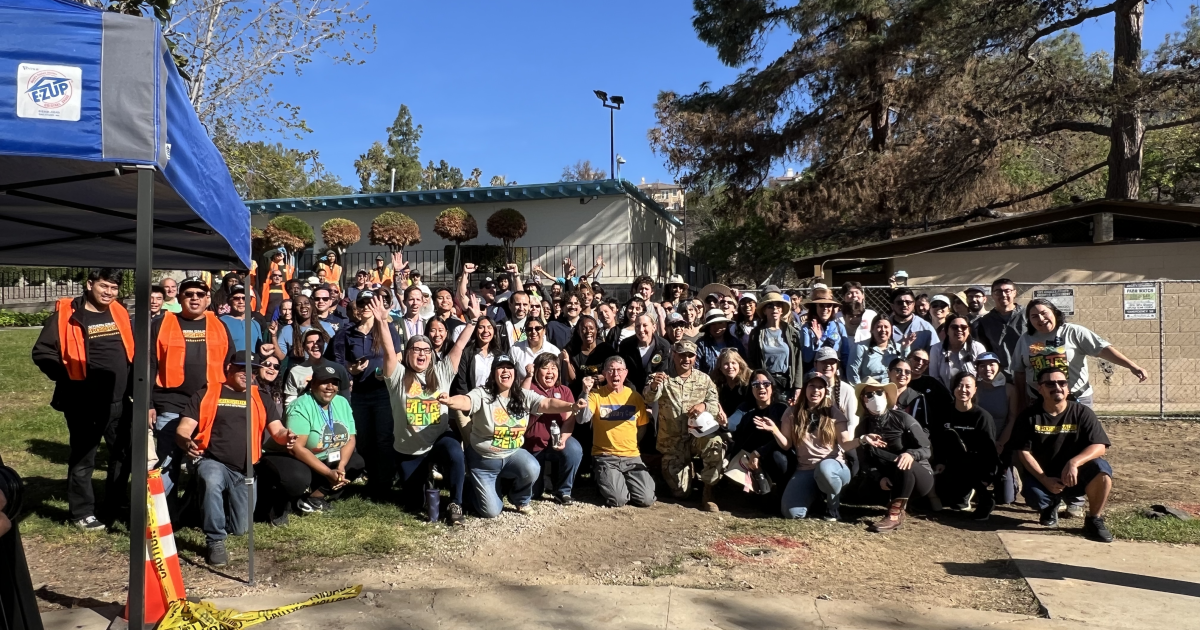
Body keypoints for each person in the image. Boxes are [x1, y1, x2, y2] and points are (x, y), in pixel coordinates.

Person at [32, 269, 133, 530]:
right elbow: (42, 352)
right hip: (84, 403)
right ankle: (81, 512)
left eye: (114, 287)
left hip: (120, 400)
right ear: (89, 284)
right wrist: (68, 379)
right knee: (84, 458)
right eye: (104, 286)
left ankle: (116, 501)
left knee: (124, 454)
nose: (109, 292)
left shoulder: (119, 312)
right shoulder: (65, 316)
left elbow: (129, 352)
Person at [174, 352, 292, 566]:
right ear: (229, 367)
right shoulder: (207, 393)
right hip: (213, 461)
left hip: (245, 471)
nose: (247, 374)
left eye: (252, 370)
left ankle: (201, 510)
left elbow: (278, 431)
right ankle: (215, 540)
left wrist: (288, 437)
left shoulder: (261, 397)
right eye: (241, 368)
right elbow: (184, 427)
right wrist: (185, 441)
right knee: (210, 479)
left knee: (240, 529)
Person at [366, 295, 475, 524]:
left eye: (426, 350)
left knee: (456, 453)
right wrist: (382, 322)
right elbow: (387, 350)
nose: (422, 354)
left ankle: (456, 502)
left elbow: (459, 346)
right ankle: (425, 478)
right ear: (408, 353)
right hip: (409, 448)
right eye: (416, 349)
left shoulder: (442, 372)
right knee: (413, 504)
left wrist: (473, 321)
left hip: (438, 438)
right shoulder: (396, 376)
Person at [440, 355, 583, 518]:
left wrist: (572, 406)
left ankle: (520, 499)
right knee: (492, 511)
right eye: (501, 367)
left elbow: (547, 404)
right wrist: (450, 400)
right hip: (484, 460)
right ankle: (470, 485)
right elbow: (466, 401)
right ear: (493, 372)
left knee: (532, 467)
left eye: (509, 367)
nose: (505, 371)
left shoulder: (522, 395)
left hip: (512, 454)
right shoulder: (482, 393)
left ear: (514, 373)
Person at [150, 277, 235, 494]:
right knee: (167, 459)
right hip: (171, 402)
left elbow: (231, 365)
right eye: (188, 294)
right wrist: (148, 403)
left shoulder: (219, 325)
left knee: (205, 459)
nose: (194, 298)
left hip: (209, 404)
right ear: (179, 298)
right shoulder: (161, 324)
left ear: (208, 298)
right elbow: (148, 364)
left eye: (200, 294)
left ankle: (196, 508)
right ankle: (164, 515)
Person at [1011, 367, 1114, 542]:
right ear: (1040, 388)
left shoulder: (1082, 413)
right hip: (1043, 476)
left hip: (1074, 475)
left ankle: (1094, 519)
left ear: (1068, 388)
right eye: (1050, 383)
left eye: (1062, 383)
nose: (1057, 387)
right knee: (1034, 496)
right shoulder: (1029, 416)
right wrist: (1044, 479)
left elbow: (1099, 446)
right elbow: (1023, 452)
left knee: (1102, 471)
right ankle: (1050, 504)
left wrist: (1074, 463)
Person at [329, 290, 404, 500]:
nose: (364, 308)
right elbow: (337, 363)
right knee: (363, 440)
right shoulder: (346, 333)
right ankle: (371, 478)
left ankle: (384, 483)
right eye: (360, 304)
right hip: (359, 395)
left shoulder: (387, 329)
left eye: (369, 304)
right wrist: (350, 370)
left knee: (384, 439)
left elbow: (396, 357)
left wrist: (388, 373)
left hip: (383, 392)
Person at [1014, 298, 1147, 410]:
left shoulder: (1073, 332)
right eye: (1034, 316)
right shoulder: (1025, 339)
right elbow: (1019, 371)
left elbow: (1103, 349)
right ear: (1029, 320)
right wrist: (1021, 401)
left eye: (1044, 313)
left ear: (1054, 312)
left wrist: (1132, 366)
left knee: (1081, 438)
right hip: (1039, 400)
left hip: (1076, 398)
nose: (1041, 318)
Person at [643, 340, 724, 511]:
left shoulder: (704, 379)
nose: (686, 359)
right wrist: (654, 386)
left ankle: (708, 491)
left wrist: (704, 406)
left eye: (690, 355)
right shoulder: (661, 377)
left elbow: (715, 403)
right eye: (682, 355)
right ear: (674, 355)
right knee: (681, 493)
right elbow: (648, 398)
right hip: (673, 443)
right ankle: (687, 473)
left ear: (695, 357)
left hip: (697, 437)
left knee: (715, 443)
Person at [277, 364, 365, 514]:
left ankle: (314, 498)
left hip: (330, 457)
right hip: (302, 459)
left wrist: (341, 467)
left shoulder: (342, 402)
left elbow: (350, 439)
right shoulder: (301, 406)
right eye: (325, 382)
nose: (330, 387)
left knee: (356, 462)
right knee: (297, 477)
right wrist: (328, 473)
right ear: (313, 384)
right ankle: (291, 499)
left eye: (334, 383)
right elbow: (296, 448)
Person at [774, 371, 863, 520]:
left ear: (825, 391)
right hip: (806, 469)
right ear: (804, 389)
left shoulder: (835, 413)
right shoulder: (791, 412)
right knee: (791, 513)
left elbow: (846, 444)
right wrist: (774, 429)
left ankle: (832, 507)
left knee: (824, 470)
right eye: (812, 386)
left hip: (834, 467)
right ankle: (817, 497)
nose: (815, 390)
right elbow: (786, 445)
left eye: (820, 387)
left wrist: (863, 439)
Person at [853, 378, 935, 533]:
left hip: (919, 477)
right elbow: (864, 462)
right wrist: (878, 477)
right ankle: (897, 503)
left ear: (886, 396)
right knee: (862, 492)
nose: (874, 397)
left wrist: (911, 454)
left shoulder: (903, 418)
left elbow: (926, 448)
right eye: (868, 394)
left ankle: (894, 515)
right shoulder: (862, 427)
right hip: (889, 479)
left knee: (903, 461)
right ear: (863, 400)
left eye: (878, 393)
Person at [577, 357, 656, 508]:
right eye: (611, 370)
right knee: (618, 500)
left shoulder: (635, 397)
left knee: (646, 500)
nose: (615, 374)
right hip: (605, 457)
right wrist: (584, 393)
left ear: (625, 373)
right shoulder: (596, 395)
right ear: (604, 373)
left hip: (632, 457)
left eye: (619, 370)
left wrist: (633, 444)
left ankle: (622, 482)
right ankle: (603, 479)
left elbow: (643, 426)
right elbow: (582, 419)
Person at [932, 372, 998, 519]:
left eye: (968, 386)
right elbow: (937, 440)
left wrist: (987, 476)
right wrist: (940, 461)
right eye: (959, 385)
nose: (963, 390)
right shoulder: (943, 412)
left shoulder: (982, 417)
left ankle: (983, 498)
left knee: (958, 503)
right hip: (948, 464)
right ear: (953, 387)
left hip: (974, 466)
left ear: (975, 389)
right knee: (946, 501)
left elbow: (989, 450)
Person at [522, 353, 582, 504]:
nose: (550, 371)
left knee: (574, 448)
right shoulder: (530, 388)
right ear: (536, 371)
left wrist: (563, 438)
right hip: (532, 445)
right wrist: (528, 376)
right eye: (545, 367)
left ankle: (563, 491)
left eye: (553, 367)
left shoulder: (565, 391)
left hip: (555, 443)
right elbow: (524, 399)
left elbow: (569, 419)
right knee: (534, 494)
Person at [730, 370, 791, 504]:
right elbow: (732, 423)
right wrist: (723, 422)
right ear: (751, 388)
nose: (761, 387)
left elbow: (785, 438)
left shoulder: (781, 408)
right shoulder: (746, 407)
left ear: (772, 386)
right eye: (756, 384)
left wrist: (759, 453)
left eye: (765, 384)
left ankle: (781, 490)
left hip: (772, 453)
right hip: (748, 455)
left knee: (780, 459)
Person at [976, 353, 1020, 505]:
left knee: (1005, 499)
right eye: (982, 365)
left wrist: (1000, 443)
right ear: (978, 369)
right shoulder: (974, 389)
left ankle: (1010, 476)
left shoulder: (1009, 390)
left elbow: (1012, 418)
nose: (987, 368)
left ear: (999, 367)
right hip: (980, 443)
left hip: (1002, 444)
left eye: (991, 364)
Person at [747, 291, 804, 405]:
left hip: (786, 382)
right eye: (770, 306)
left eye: (778, 305)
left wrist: (798, 387)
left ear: (782, 310)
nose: (775, 309)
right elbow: (752, 361)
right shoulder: (756, 333)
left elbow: (798, 361)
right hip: (765, 383)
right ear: (764, 310)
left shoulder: (791, 332)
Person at [973, 278, 1026, 379]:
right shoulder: (985, 322)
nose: (1003, 294)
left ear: (1015, 293)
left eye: (1007, 291)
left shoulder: (1027, 315)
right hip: (1001, 377)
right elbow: (986, 352)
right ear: (992, 295)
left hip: (1028, 373)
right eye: (998, 291)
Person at [799, 286, 852, 376]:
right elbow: (806, 358)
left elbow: (845, 356)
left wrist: (846, 377)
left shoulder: (839, 327)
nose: (825, 308)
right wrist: (816, 342)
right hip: (814, 376)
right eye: (821, 305)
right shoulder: (806, 328)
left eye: (829, 305)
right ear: (814, 307)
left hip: (836, 375)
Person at [561, 315, 616, 397]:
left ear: (596, 330)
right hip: (580, 395)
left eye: (591, 328)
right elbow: (572, 380)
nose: (588, 331)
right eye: (583, 329)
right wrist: (567, 362)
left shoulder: (606, 349)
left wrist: (605, 377)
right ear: (578, 332)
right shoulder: (572, 350)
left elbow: (616, 371)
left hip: (603, 395)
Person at [929, 314, 987, 389]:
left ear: (968, 330)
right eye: (954, 327)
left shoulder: (978, 348)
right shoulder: (936, 349)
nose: (959, 330)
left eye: (963, 327)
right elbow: (934, 378)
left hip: (973, 396)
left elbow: (982, 377)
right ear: (947, 331)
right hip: (944, 396)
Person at [618, 314, 672, 394]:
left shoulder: (663, 346)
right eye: (637, 326)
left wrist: (650, 389)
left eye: (645, 325)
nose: (641, 330)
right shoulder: (625, 345)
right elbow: (624, 372)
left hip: (655, 390)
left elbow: (662, 371)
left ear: (654, 327)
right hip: (631, 391)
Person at [276, 294, 335, 362]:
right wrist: (273, 335)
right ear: (294, 309)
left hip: (323, 369)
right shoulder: (287, 330)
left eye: (306, 303)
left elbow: (335, 350)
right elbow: (280, 357)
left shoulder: (326, 326)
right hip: (299, 370)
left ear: (312, 306)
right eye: (298, 304)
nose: (303, 306)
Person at [848, 314, 905, 384]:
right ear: (872, 329)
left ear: (891, 330)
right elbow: (852, 373)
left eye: (886, 327)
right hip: (869, 390)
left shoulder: (898, 348)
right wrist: (860, 391)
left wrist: (905, 348)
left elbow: (905, 369)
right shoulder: (860, 347)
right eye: (879, 327)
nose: (883, 330)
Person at [695, 309, 746, 375]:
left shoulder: (735, 343)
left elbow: (743, 364)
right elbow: (696, 368)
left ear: (726, 324)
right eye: (713, 324)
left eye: (720, 323)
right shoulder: (701, 344)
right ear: (708, 327)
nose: (717, 327)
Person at [510, 316, 559, 383]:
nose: (533, 332)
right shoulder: (515, 349)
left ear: (544, 330)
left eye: (537, 328)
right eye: (529, 329)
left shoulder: (554, 351)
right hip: (521, 391)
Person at [888, 288, 936, 353]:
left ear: (913, 305)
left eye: (908, 302)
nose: (904, 305)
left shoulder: (925, 327)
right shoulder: (883, 327)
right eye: (900, 302)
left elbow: (936, 353)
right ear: (892, 306)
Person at [219, 284, 262, 354]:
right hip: (230, 364)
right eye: (236, 298)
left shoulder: (255, 323)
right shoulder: (221, 322)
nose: (241, 301)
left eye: (244, 298)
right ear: (229, 301)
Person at [711, 348, 751, 422]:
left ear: (740, 365)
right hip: (722, 423)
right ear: (720, 367)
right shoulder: (716, 384)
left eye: (733, 363)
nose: (730, 367)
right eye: (726, 364)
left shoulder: (748, 384)